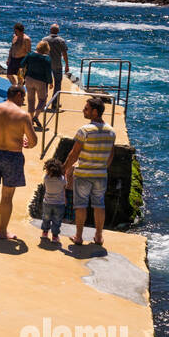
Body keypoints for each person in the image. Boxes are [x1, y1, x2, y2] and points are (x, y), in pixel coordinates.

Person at [0, 85, 37, 240]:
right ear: (17, 94)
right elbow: (33, 141)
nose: (23, 101)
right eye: (23, 97)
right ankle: (2, 232)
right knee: (7, 196)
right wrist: (27, 144)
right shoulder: (23, 116)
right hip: (13, 157)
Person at [62, 95, 116, 248]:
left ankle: (78, 237)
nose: (83, 111)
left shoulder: (84, 130)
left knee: (81, 205)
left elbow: (74, 154)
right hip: (100, 174)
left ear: (94, 112)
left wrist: (64, 169)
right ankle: (98, 236)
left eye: (86, 109)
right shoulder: (111, 131)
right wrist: (103, 168)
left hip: (83, 174)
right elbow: (111, 154)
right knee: (99, 205)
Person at [18, 40, 53, 130]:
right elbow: (48, 73)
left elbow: (22, 64)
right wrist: (50, 82)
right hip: (41, 82)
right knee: (42, 100)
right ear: (47, 49)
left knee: (30, 100)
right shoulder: (47, 58)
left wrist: (22, 77)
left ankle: (30, 119)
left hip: (29, 79)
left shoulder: (30, 55)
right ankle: (36, 116)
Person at [40, 157, 66, 244]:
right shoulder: (62, 179)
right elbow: (65, 186)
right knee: (57, 220)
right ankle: (55, 237)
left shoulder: (46, 178)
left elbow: (44, 186)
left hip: (47, 203)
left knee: (46, 218)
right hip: (59, 203)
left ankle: (45, 232)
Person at [44, 24, 69, 96]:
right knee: (57, 83)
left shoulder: (44, 40)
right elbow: (64, 54)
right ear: (58, 31)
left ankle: (43, 101)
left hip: (46, 64)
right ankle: (55, 103)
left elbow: (41, 52)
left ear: (50, 30)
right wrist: (67, 65)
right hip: (57, 64)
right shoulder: (61, 40)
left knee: (45, 83)